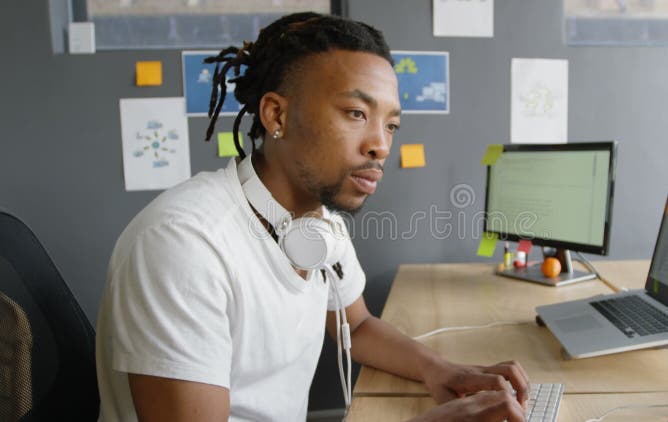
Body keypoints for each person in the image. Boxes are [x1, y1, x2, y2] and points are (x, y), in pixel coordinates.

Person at [95, 12, 530, 422]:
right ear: (276, 115)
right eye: (357, 114)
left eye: (391, 125)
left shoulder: (319, 223)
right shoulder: (184, 243)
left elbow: (356, 326)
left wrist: (445, 371)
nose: (380, 145)